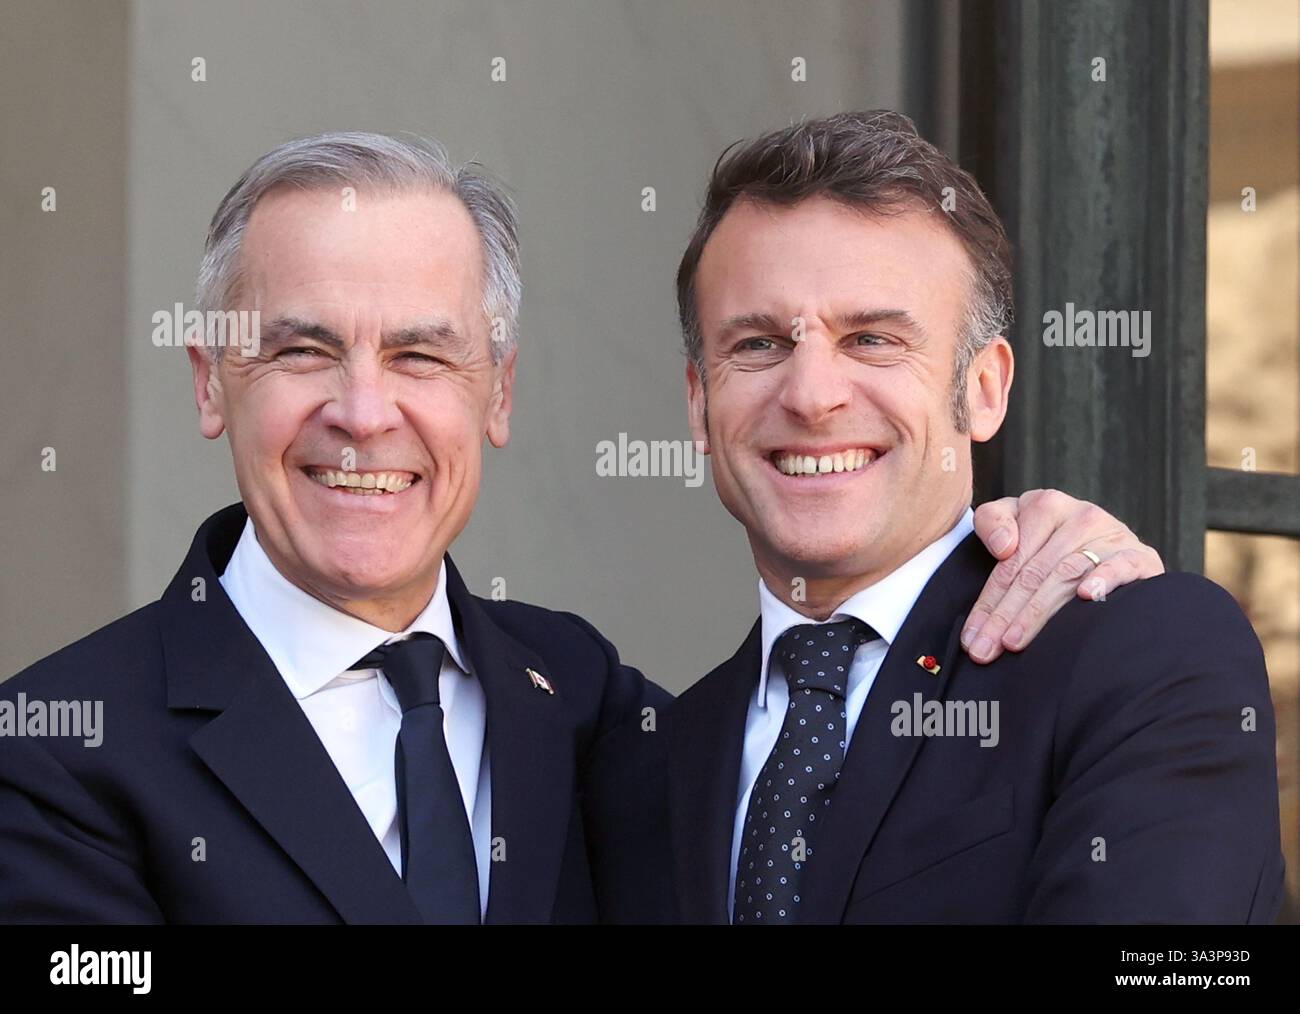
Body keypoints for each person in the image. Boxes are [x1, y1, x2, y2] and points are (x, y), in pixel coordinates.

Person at [0, 131, 1164, 924]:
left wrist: (1038, 544)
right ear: (212, 384)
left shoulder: (583, 699)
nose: (364, 411)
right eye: (302, 349)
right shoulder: (53, 752)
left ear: (496, 394)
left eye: (421, 353)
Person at [665, 111, 1285, 924]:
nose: (813, 395)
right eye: (758, 345)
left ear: (984, 389)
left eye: (873, 339)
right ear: (700, 403)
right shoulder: (645, 758)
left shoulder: (1142, 657)